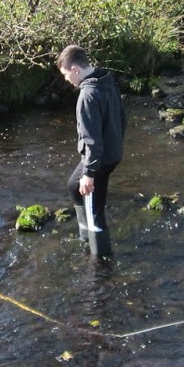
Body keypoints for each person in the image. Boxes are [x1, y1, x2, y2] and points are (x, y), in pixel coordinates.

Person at [58, 44, 126, 259]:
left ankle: (101, 262)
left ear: (76, 69)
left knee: (93, 206)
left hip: (100, 159)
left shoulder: (87, 96)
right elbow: (123, 118)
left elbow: (91, 140)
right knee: (73, 186)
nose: (67, 80)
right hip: (112, 152)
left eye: (66, 75)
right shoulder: (107, 80)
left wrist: (89, 173)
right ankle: (85, 239)